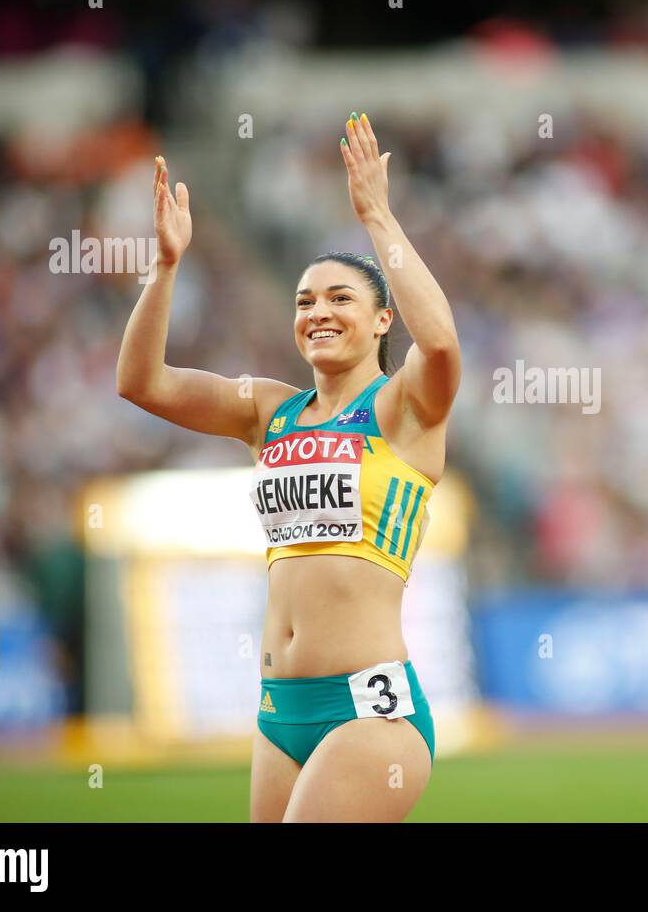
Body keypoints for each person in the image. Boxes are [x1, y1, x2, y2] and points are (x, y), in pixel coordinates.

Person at [117, 112, 461, 821]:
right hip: (279, 713)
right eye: (304, 301)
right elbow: (142, 383)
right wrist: (167, 268)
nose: (318, 312)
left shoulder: (404, 410)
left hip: (371, 710)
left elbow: (446, 345)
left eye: (341, 299)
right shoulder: (266, 412)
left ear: (382, 322)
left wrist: (377, 217)